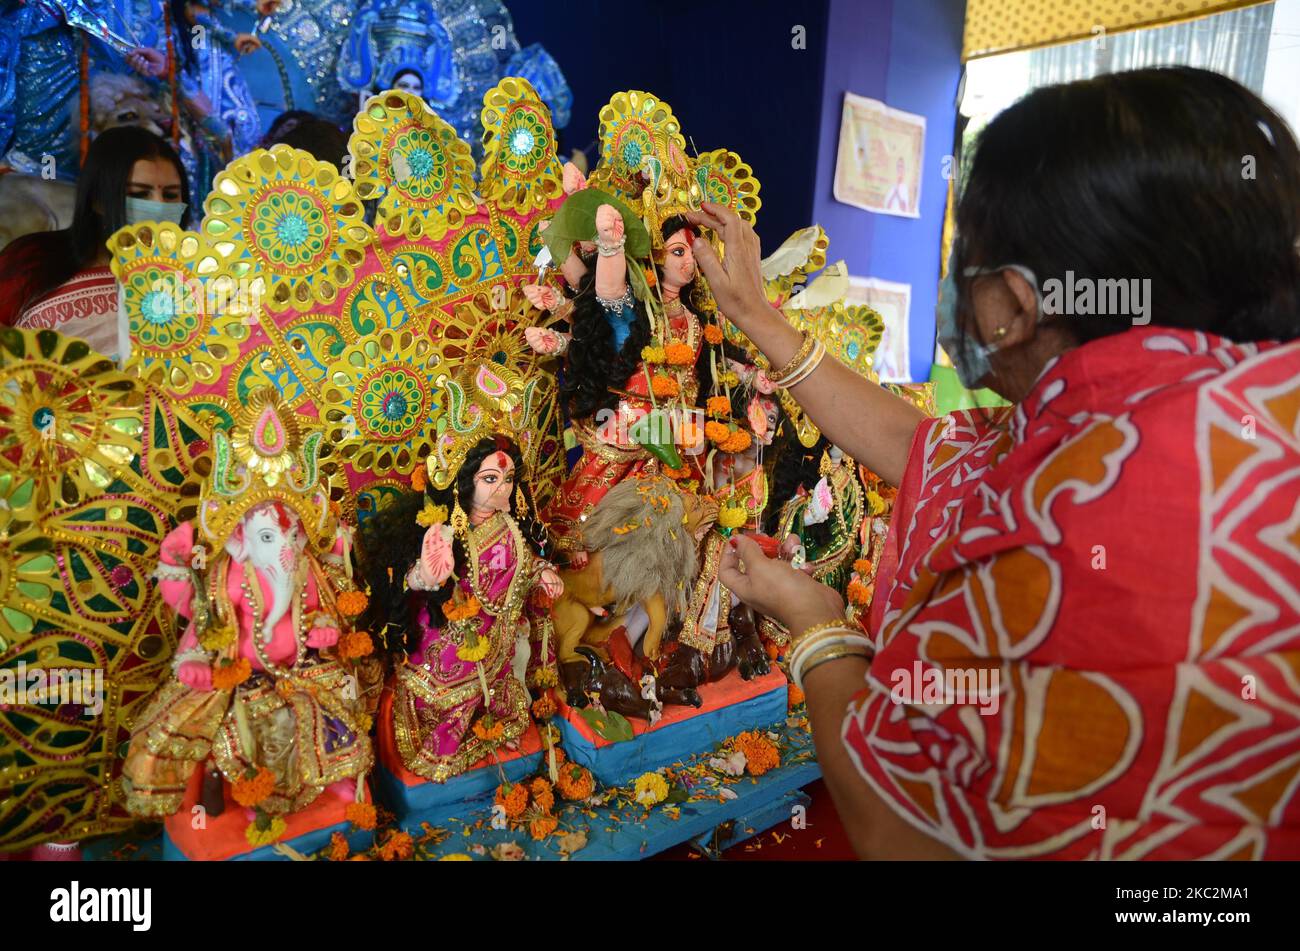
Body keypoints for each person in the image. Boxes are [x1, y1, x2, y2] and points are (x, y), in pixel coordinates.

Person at [688, 66, 1300, 860]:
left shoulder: (1066, 542)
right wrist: (760, 319)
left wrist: (816, 624)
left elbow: (899, 829)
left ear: (1014, 302)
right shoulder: (1206, 421)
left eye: (965, 264)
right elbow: (933, 452)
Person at [0, 126, 188, 360]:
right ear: (98, 200)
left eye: (171, 195)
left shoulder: (193, 279)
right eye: (139, 194)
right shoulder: (31, 261)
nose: (159, 206)